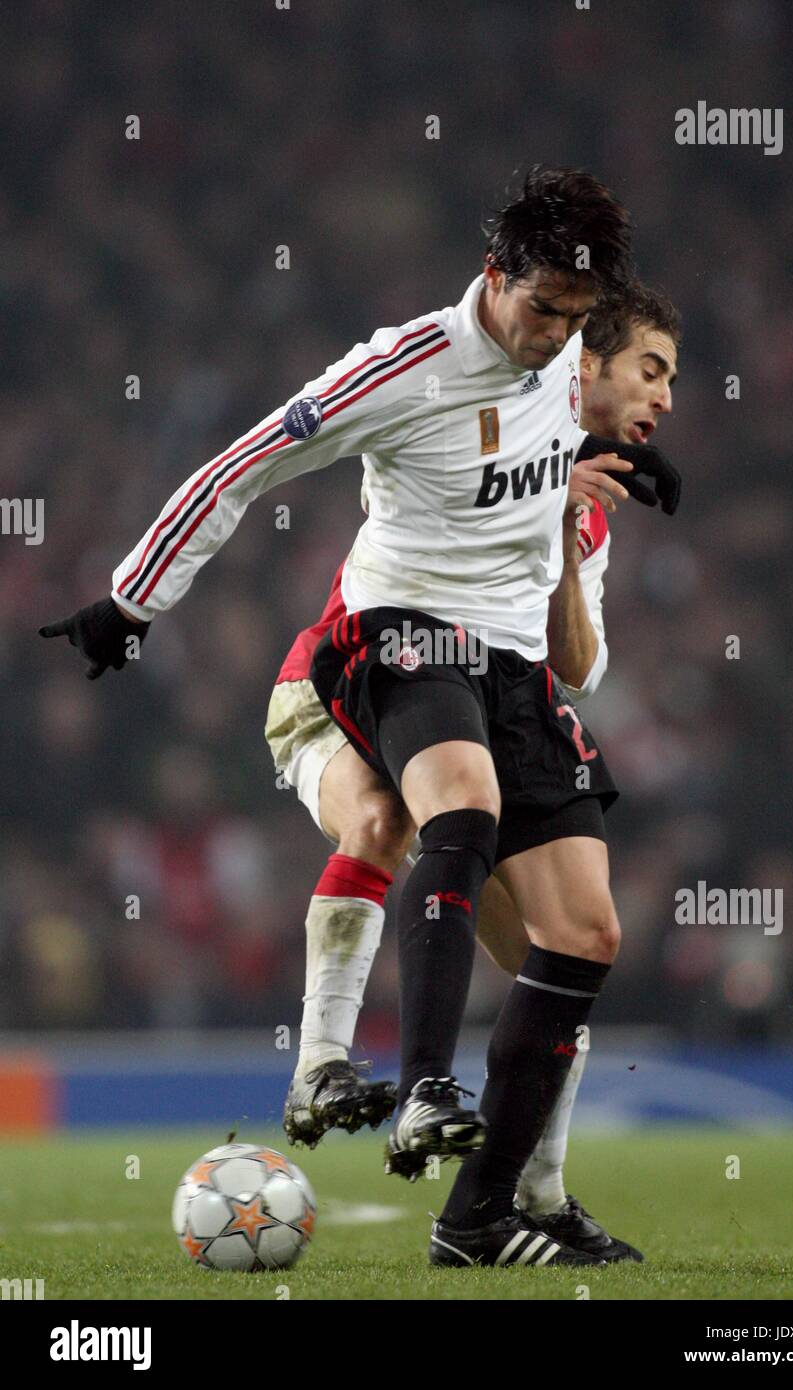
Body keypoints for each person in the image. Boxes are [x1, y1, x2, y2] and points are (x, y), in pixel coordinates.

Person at [40, 165, 679, 1267]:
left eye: (576, 326)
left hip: (512, 672)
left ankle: (493, 1212)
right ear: (492, 277)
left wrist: (607, 455)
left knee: (576, 937)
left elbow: (564, 432)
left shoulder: (566, 358)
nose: (553, 343)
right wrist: (132, 599)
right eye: (541, 314)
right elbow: (243, 464)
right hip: (399, 635)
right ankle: (413, 1078)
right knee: (443, 814)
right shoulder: (403, 368)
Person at [267, 282, 679, 1268]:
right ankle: (323, 1064)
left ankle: (530, 1193)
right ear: (584, 364)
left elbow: (575, 665)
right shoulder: (485, 402)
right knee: (379, 821)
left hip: (476, 718)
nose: (664, 398)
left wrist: (570, 544)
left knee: (558, 951)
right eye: (651, 371)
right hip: (343, 688)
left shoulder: (588, 504)